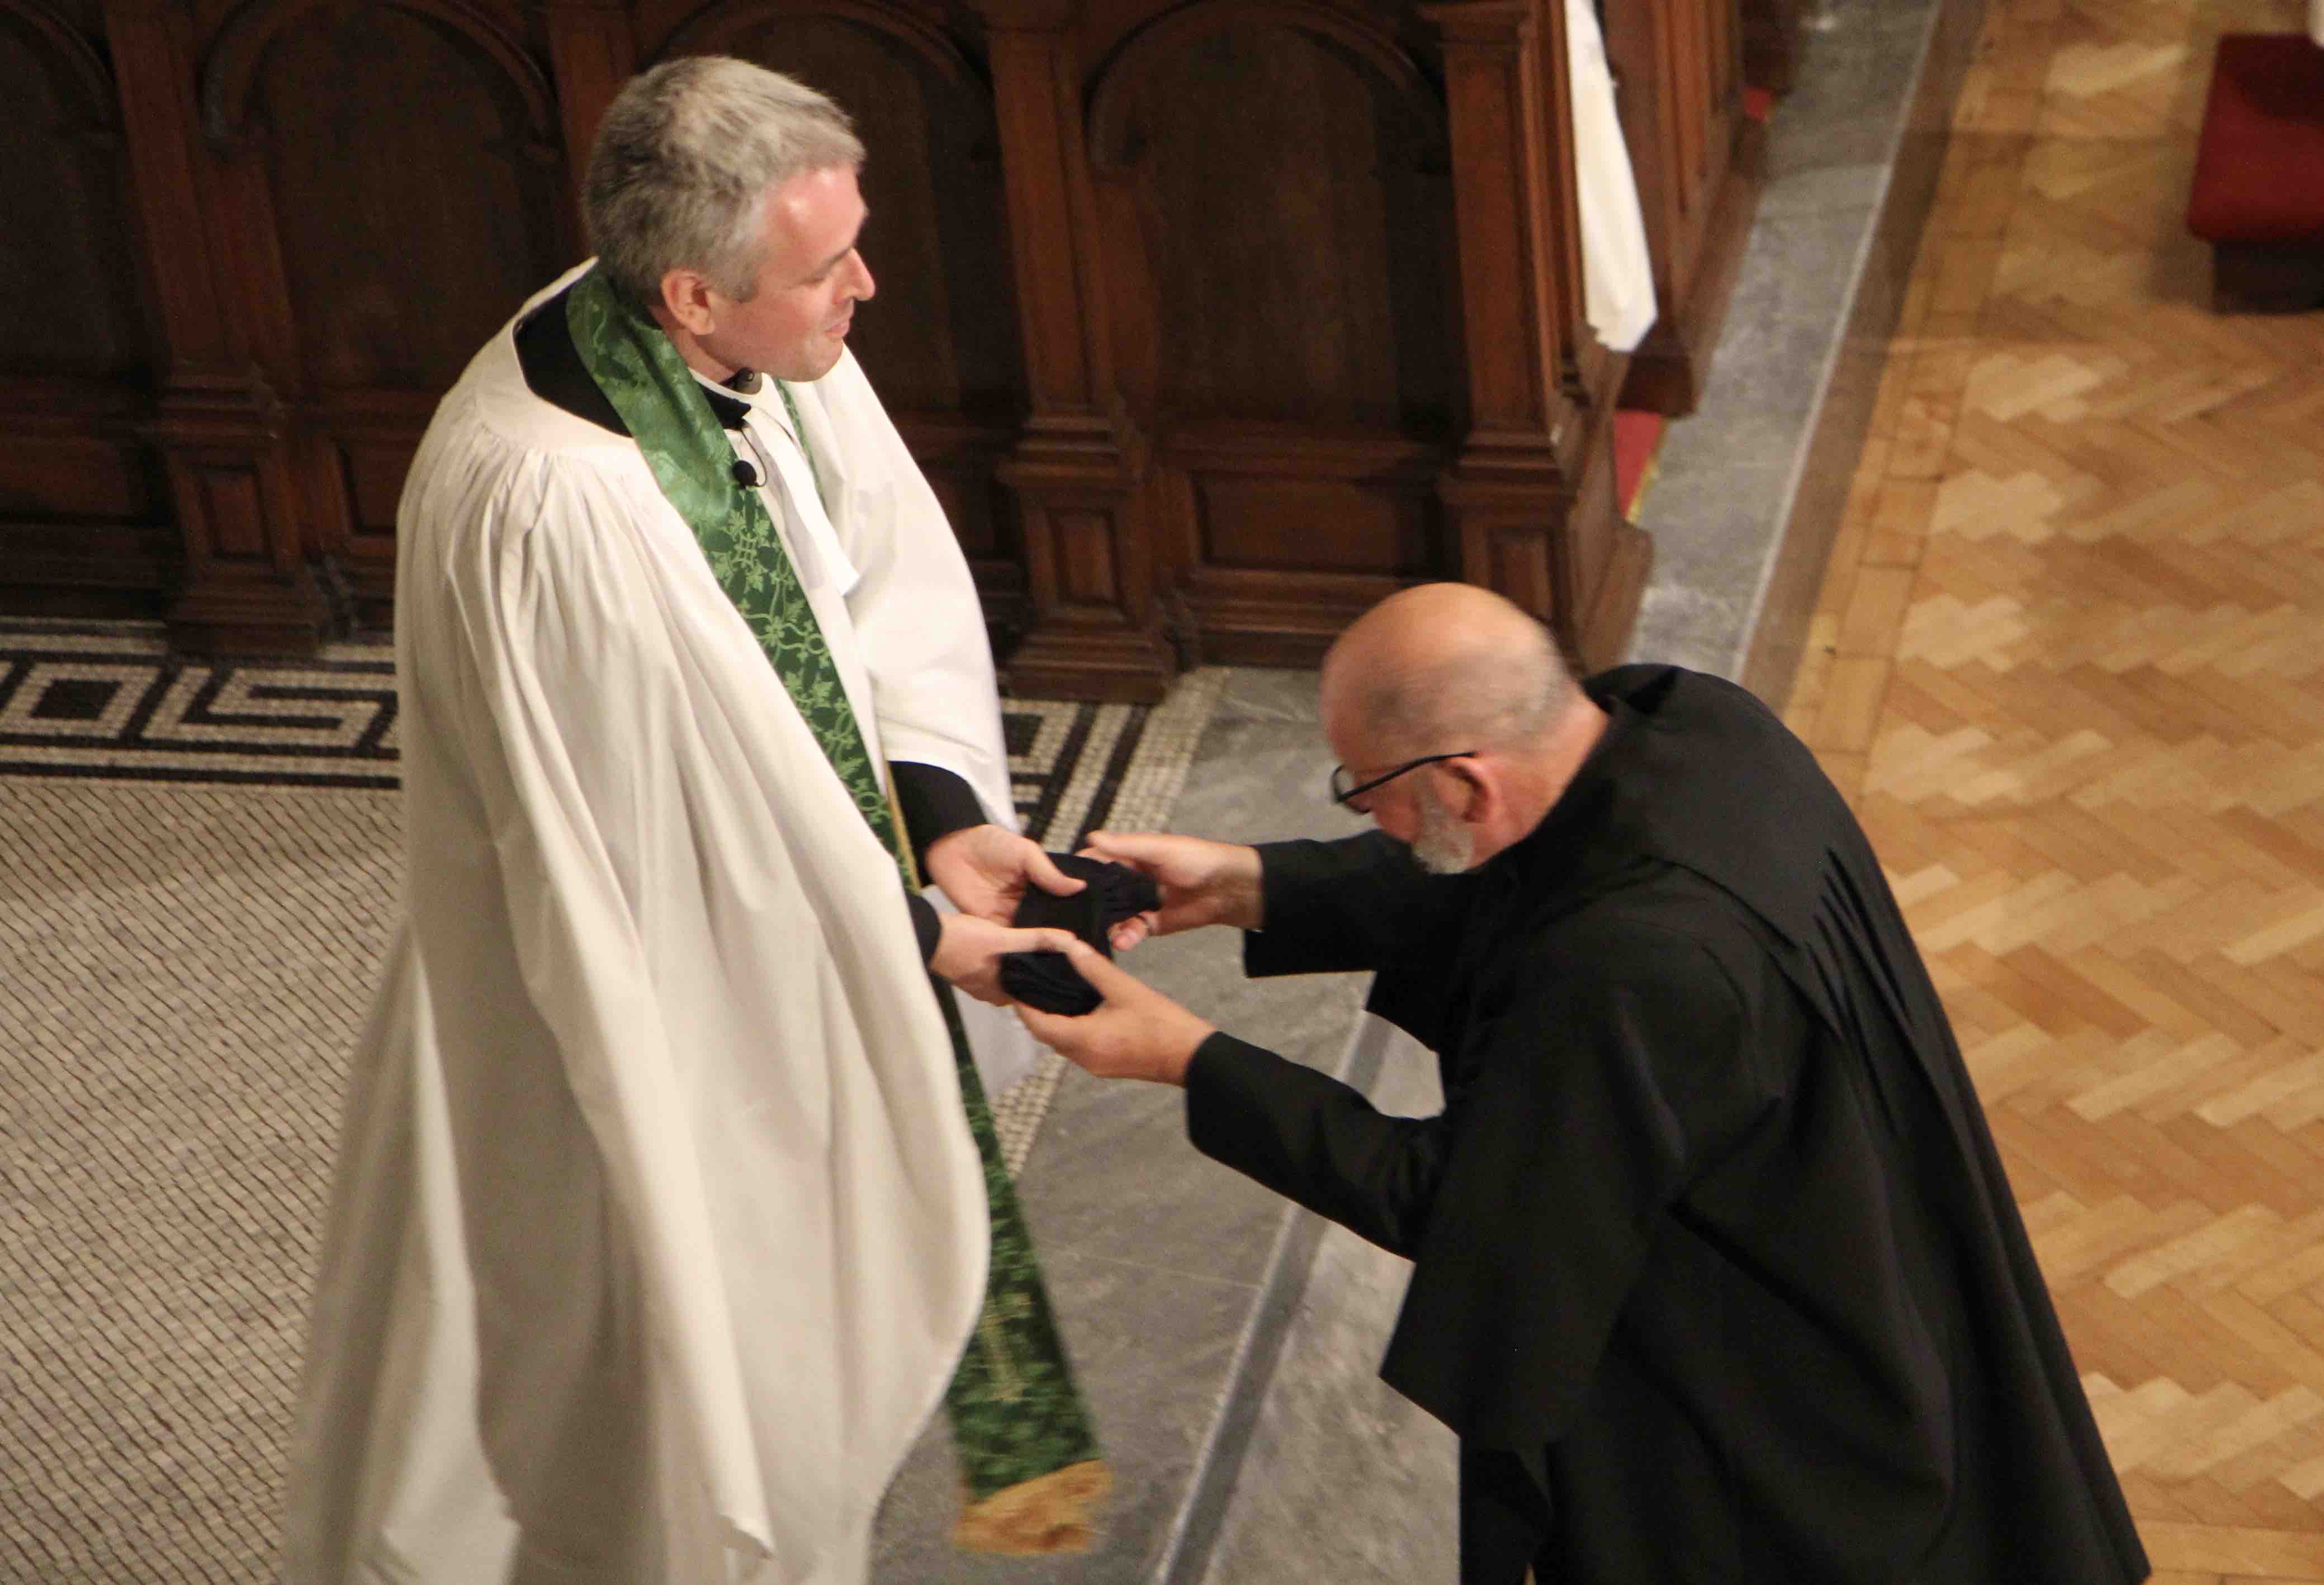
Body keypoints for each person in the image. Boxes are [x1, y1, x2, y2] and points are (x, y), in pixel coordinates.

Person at [285, 57, 1107, 1585]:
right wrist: (932, 941)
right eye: (828, 265)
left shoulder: (753, 322)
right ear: (689, 298)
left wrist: (934, 820)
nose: (863, 284)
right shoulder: (562, 509)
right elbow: (687, 852)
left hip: (800, 912)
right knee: (645, 1362)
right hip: (636, 990)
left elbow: (880, 570)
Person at [1019, 582, 2150, 1584]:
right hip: (1861, 1240)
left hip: (1757, 1406)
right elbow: (1506, 870)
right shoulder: (1693, 724)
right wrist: (1247, 884)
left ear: (1464, 776)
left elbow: (1464, 1203)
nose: (1370, 816)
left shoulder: (1629, 964)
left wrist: (1186, 1056)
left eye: (1366, 793)